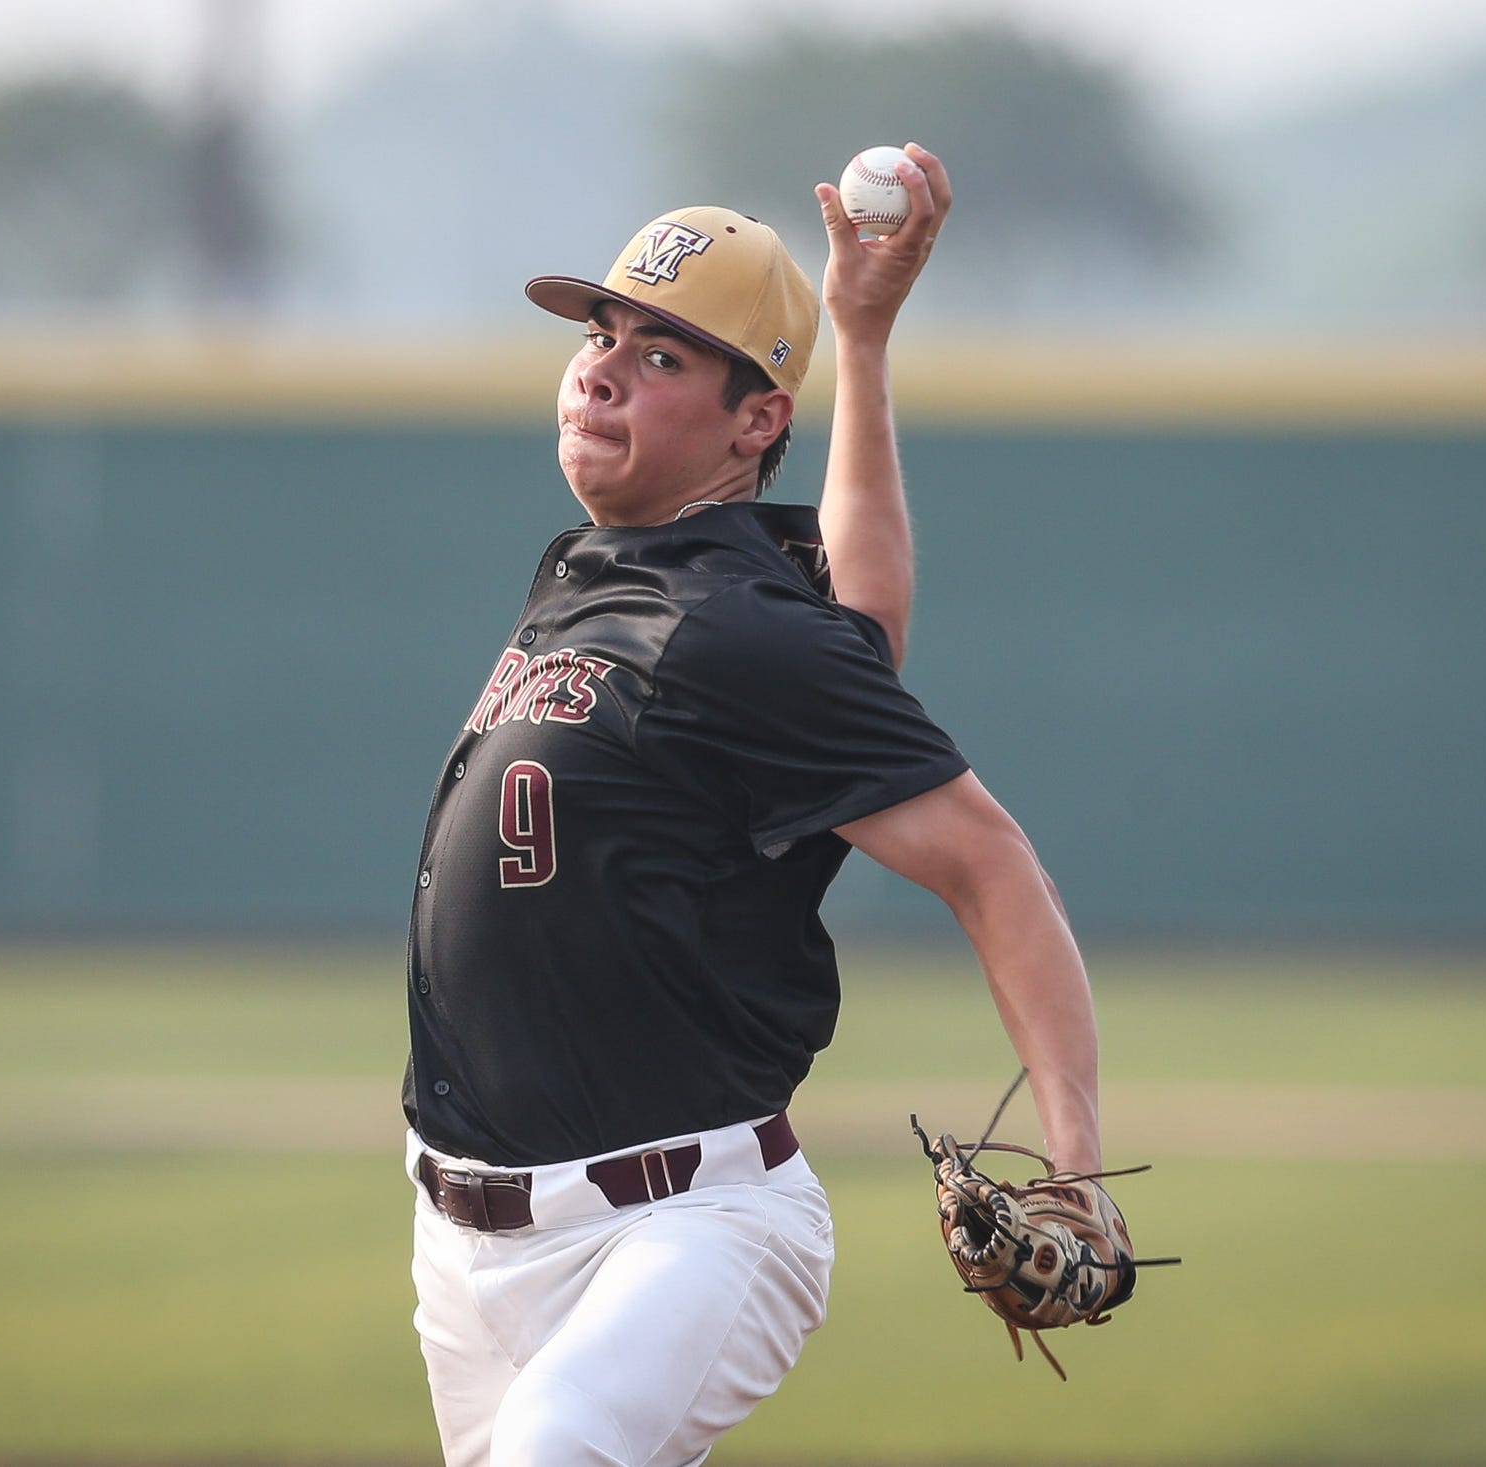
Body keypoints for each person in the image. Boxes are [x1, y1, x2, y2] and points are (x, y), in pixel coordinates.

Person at [402, 144, 1105, 1466]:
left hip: (679, 1226)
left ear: (757, 422)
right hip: (467, 1246)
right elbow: (867, 624)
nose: (602, 365)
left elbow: (990, 866)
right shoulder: (612, 577)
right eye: (602, 334)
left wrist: (1076, 1164)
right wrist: (863, 337)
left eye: (662, 356)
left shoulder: (734, 633)